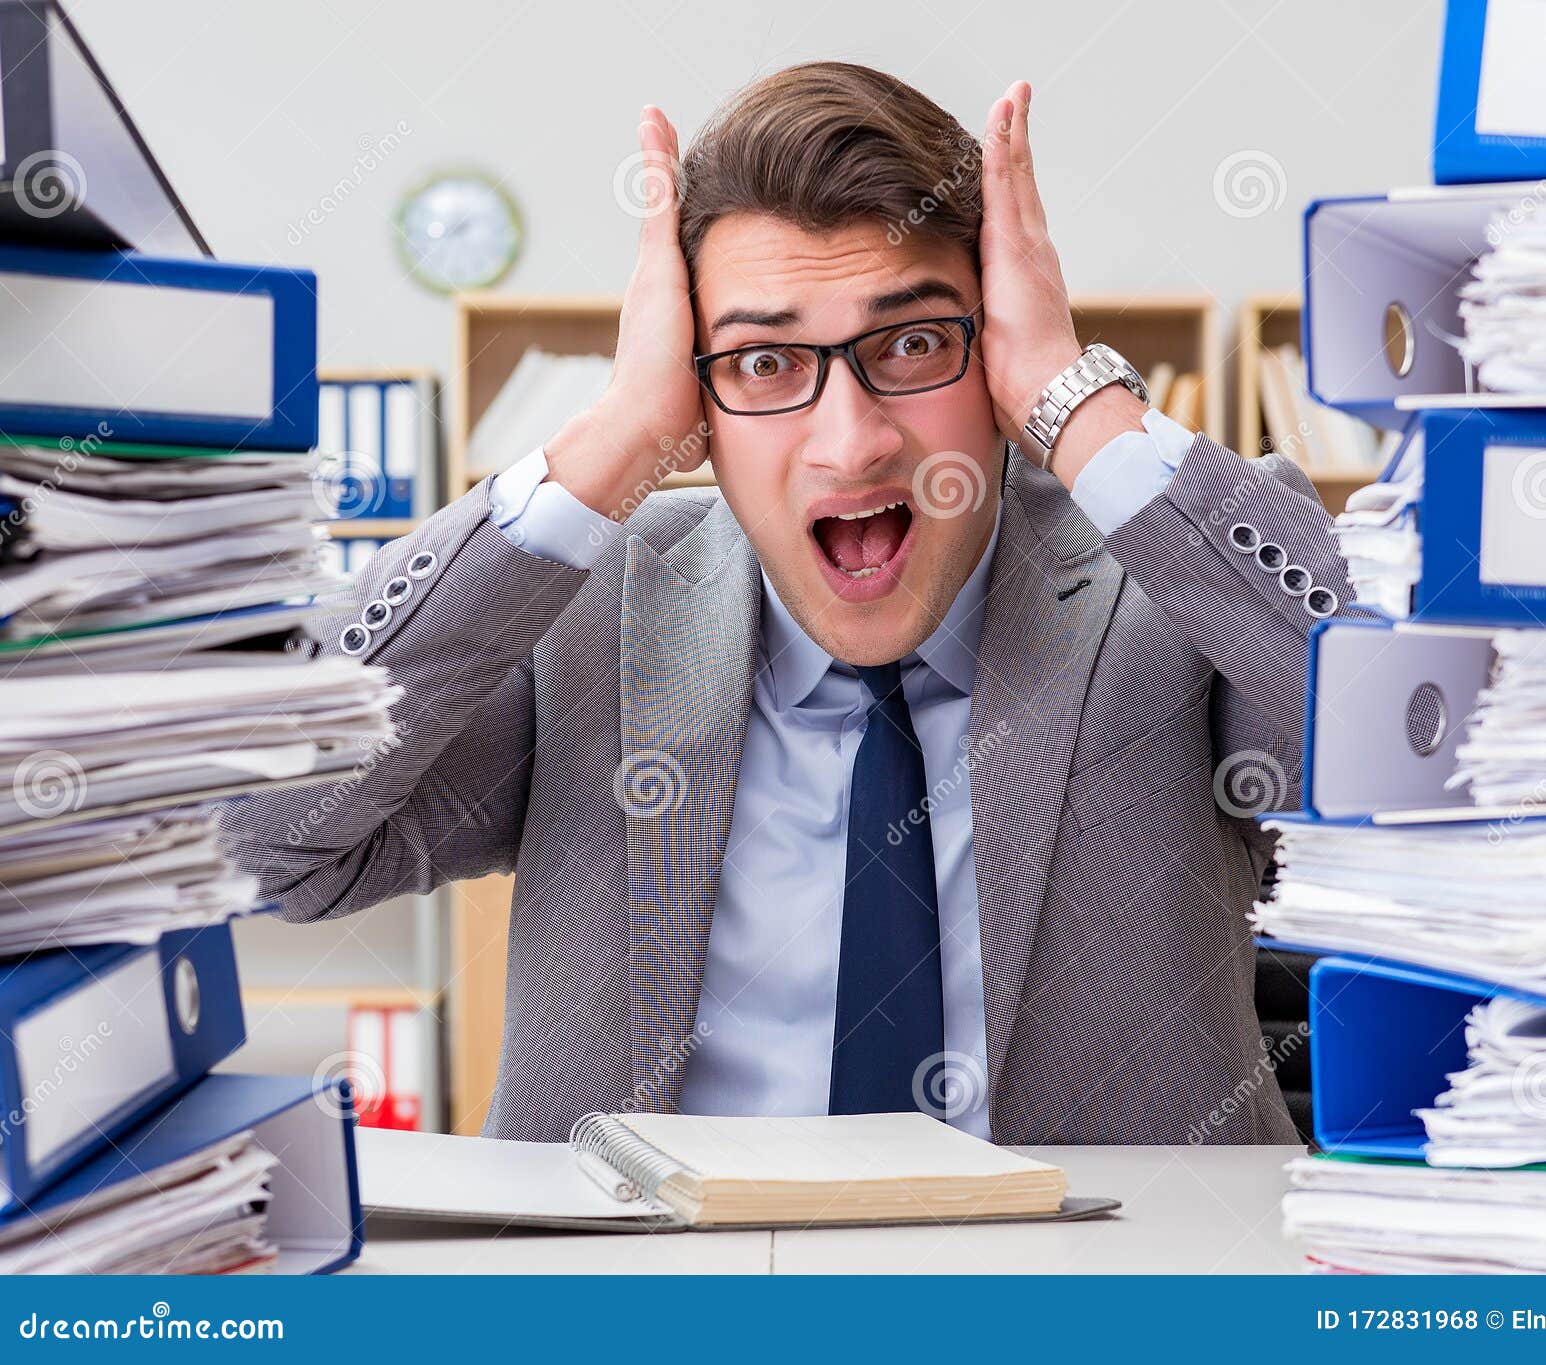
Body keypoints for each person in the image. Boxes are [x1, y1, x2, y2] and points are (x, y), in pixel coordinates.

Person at [225, 63, 1349, 1145]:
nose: (851, 443)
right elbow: (257, 835)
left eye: (915, 343)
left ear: (994, 359)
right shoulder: (579, 615)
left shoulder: (1171, 589)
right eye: (764, 363)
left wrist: (1074, 401)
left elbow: (1411, 753)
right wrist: (614, 439)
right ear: (698, 400)